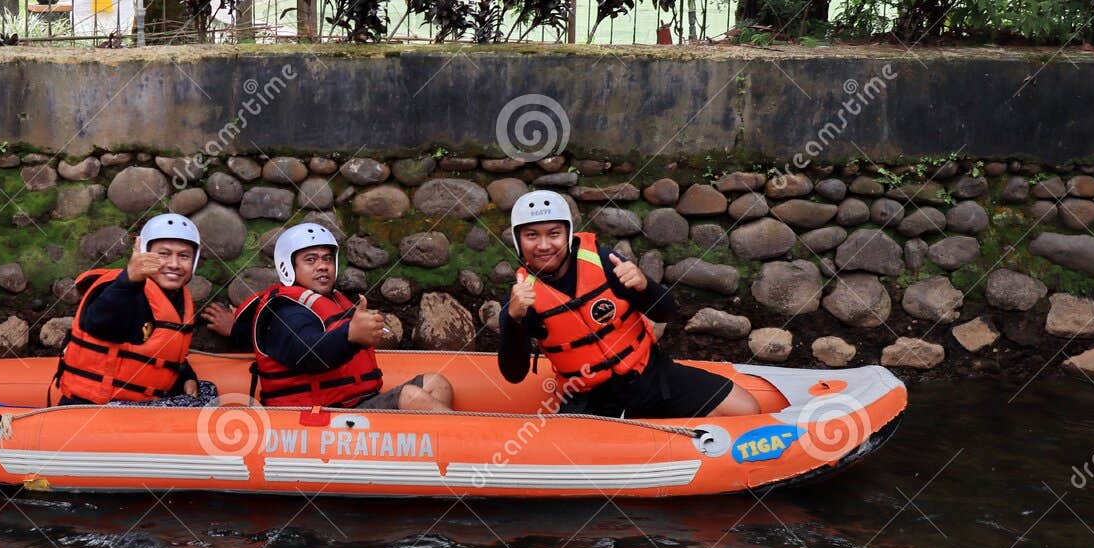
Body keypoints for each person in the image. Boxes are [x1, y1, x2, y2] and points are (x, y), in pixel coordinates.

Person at [498, 191, 760, 419]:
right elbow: (514, 374)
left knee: (745, 408)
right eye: (532, 235)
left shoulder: (606, 262)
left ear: (567, 234)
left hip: (650, 376)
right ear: (519, 241)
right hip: (588, 401)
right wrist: (513, 321)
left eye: (553, 233)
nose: (544, 245)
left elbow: (668, 312)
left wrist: (646, 287)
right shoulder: (521, 299)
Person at [202, 224, 454, 411]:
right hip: (315, 416)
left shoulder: (330, 301)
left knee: (436, 382)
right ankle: (469, 450)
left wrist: (236, 331)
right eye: (310, 260)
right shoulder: (283, 312)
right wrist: (350, 336)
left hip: (351, 404)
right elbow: (308, 351)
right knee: (410, 397)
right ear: (288, 267)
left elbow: (274, 338)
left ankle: (433, 459)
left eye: (326, 259)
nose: (322, 266)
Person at [53, 213, 209, 405]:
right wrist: (129, 280)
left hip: (140, 405)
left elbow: (162, 353)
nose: (174, 264)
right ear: (143, 253)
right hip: (94, 407)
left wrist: (186, 376)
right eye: (164, 254)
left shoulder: (177, 300)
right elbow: (98, 323)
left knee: (208, 392)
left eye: (184, 256)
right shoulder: (119, 290)